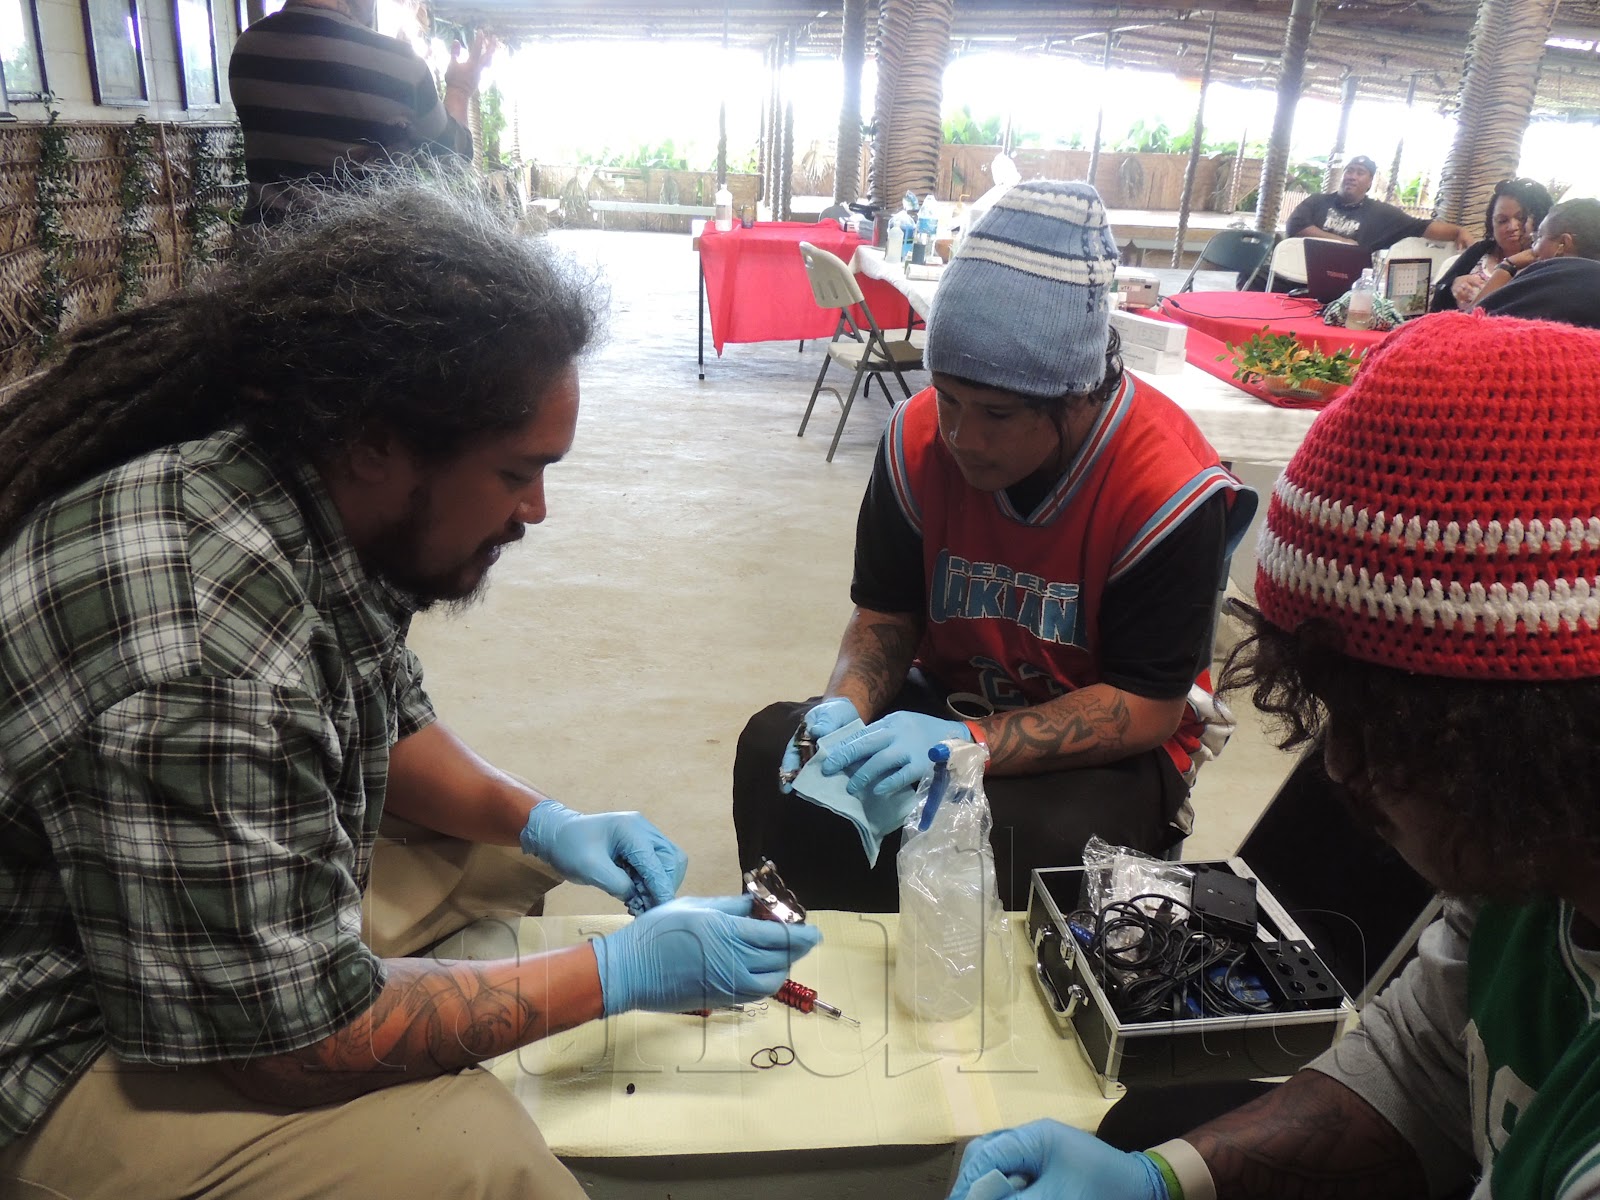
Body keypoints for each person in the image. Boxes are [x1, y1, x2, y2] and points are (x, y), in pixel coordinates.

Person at [0, 178, 821, 1199]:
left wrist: (546, 821)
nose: (540, 510)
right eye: (517, 472)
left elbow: (385, 715)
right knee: (471, 1156)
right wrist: (614, 978)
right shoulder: (214, 664)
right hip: (51, 1033)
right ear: (379, 441)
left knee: (491, 854)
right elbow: (289, 1044)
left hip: (153, 891)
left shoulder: (296, 492)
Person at [945, 310, 1600, 1200]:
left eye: (1390, 728)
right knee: (1143, 1119)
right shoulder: (1534, 873)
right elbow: (1425, 1066)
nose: (1341, 769)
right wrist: (1165, 1181)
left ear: (1550, 719)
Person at [733, 180, 1256, 913]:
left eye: (998, 414)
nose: (960, 437)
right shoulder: (917, 442)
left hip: (1105, 749)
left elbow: (1147, 708)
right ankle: (795, 955)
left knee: (997, 841)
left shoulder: (1166, 491)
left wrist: (971, 743)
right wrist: (847, 706)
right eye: (947, 397)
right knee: (774, 756)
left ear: (1077, 399)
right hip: (946, 704)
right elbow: (886, 614)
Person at [228, 0, 494, 225]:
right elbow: (451, 163)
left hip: (265, 270)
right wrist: (460, 89)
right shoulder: (398, 64)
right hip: (362, 272)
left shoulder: (247, 49)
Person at [1285, 154, 1471, 254]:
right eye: (1349, 171)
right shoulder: (1317, 201)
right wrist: (1344, 243)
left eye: (1360, 173)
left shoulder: (1380, 214)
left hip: (1345, 286)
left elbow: (1421, 227)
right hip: (1297, 273)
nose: (1352, 176)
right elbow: (1296, 225)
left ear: (1370, 182)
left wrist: (1458, 231)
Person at [1472, 196, 1600, 328]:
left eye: (1538, 237)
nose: (1533, 247)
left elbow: (1467, 324)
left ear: (1563, 243)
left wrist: (1506, 267)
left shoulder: (1543, 281)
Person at [1428, 177, 1553, 311]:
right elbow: (1437, 303)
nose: (1512, 227)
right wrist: (1453, 287)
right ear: (1491, 223)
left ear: (1542, 221)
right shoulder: (1479, 251)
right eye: (1502, 220)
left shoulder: (1545, 266)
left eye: (1521, 218)